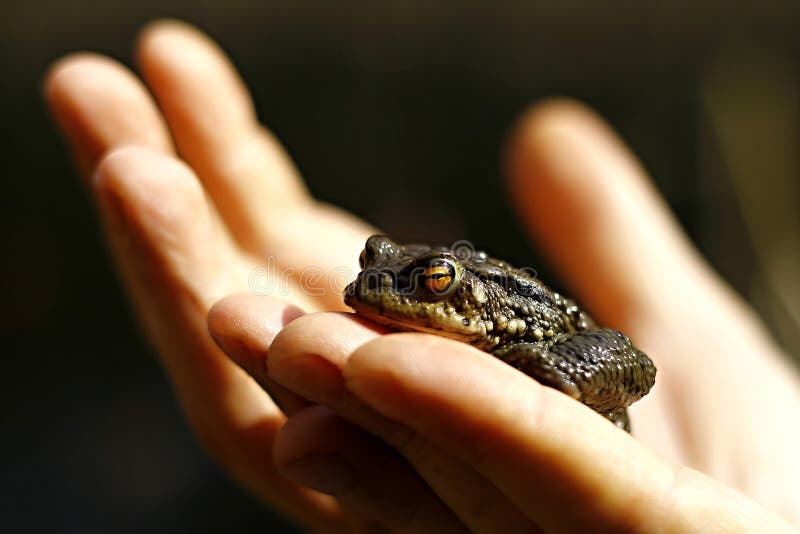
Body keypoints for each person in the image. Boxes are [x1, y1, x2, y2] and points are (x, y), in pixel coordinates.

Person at [45, 19, 800, 532]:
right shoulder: (396, 306)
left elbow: (634, 362)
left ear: (458, 291)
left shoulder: (512, 324)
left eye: (429, 282)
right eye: (376, 267)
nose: (387, 287)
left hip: (571, 363)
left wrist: (556, 374)